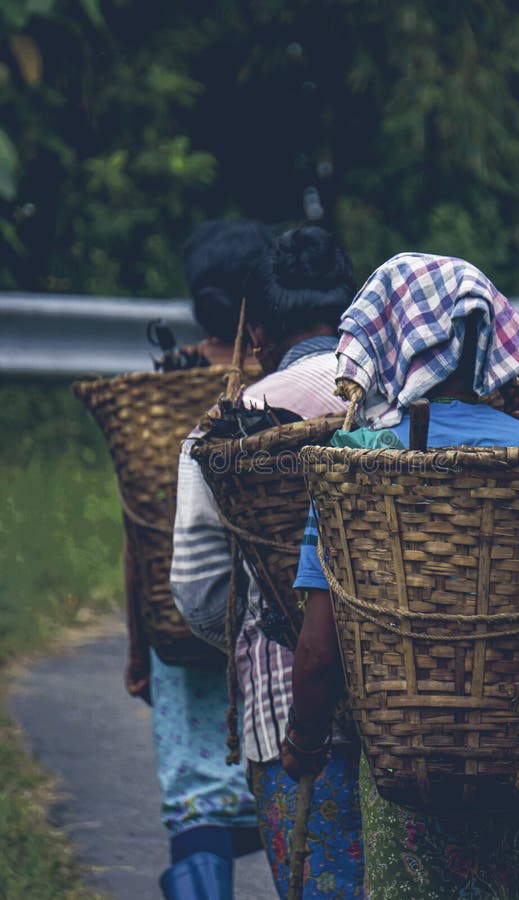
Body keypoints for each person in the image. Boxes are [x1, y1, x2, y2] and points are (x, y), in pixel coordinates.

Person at [285, 253, 519, 899]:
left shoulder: (355, 471)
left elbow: (320, 653)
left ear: (389, 344)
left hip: (415, 771)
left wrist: (304, 742)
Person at [170, 225, 366, 898]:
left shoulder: (223, 430)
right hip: (410, 712)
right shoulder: (403, 406)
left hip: (284, 718)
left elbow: (198, 595)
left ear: (256, 338)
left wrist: (254, 626)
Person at [125, 218, 273, 900]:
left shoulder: (158, 395)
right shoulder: (286, 388)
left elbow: (141, 529)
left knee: (196, 802)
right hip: (271, 622)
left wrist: (137, 646)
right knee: (281, 792)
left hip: (180, 616)